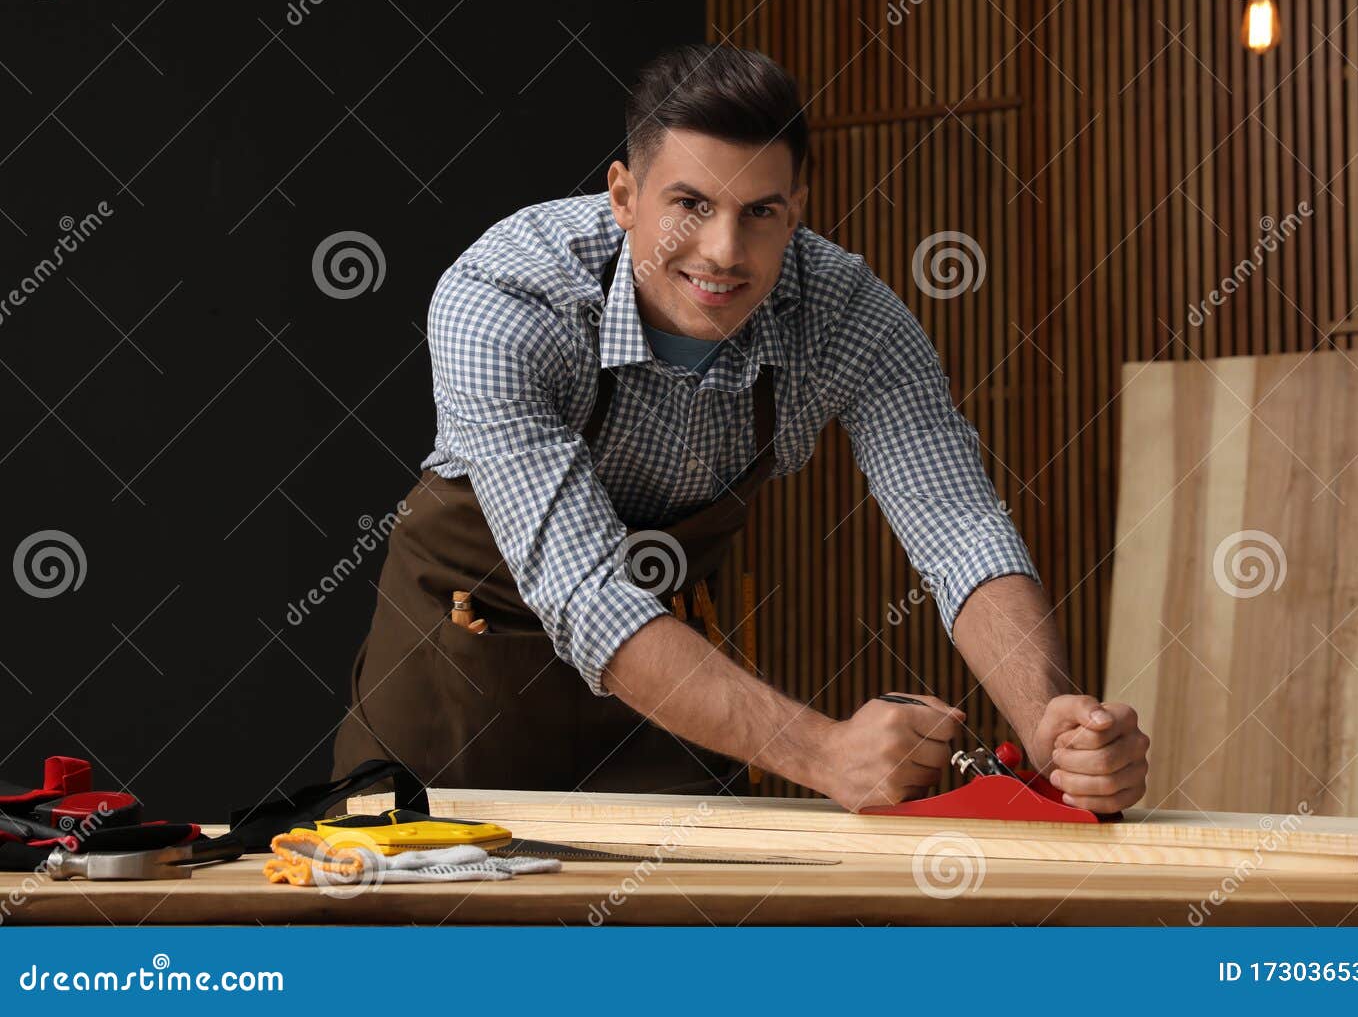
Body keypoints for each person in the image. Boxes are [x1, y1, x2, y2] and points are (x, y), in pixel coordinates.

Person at [332, 43, 1150, 812]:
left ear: (797, 207)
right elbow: (587, 593)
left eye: (759, 210)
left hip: (672, 697)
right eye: (691, 204)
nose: (724, 251)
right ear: (623, 195)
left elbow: (960, 528)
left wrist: (1055, 723)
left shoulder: (845, 313)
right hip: (462, 671)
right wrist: (826, 752)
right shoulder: (506, 300)